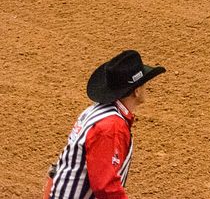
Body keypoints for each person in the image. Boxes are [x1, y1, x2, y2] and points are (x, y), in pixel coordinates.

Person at [47, 50, 165, 199]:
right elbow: (105, 187)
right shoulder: (111, 126)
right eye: (144, 83)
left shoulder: (96, 111)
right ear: (136, 91)